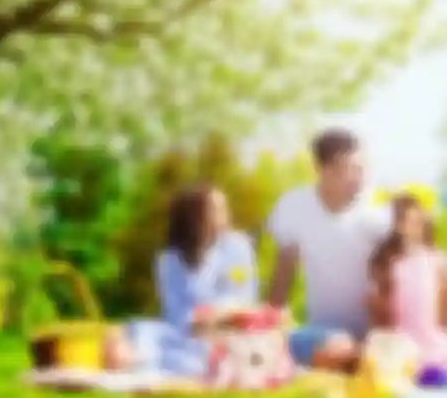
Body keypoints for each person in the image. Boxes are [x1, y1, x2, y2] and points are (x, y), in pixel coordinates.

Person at [267, 128, 389, 370]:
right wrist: (268, 327)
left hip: (374, 333)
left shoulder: (376, 213)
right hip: (322, 334)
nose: (358, 178)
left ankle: (358, 358)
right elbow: (284, 272)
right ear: (323, 170)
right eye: (349, 170)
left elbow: (393, 277)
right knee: (315, 344)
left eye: (361, 169)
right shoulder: (294, 206)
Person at [155, 184, 259, 376]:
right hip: (187, 334)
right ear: (195, 215)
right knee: (145, 335)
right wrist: (197, 320)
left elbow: (244, 295)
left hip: (230, 328)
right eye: (217, 209)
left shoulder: (238, 246)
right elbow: (173, 310)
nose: (226, 215)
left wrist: (216, 314)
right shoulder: (169, 259)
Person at [367, 193, 447, 371]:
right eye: (409, 221)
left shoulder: (437, 259)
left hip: (431, 338)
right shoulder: (388, 262)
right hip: (400, 338)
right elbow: (377, 309)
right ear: (397, 225)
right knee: (387, 356)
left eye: (419, 221)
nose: (415, 226)